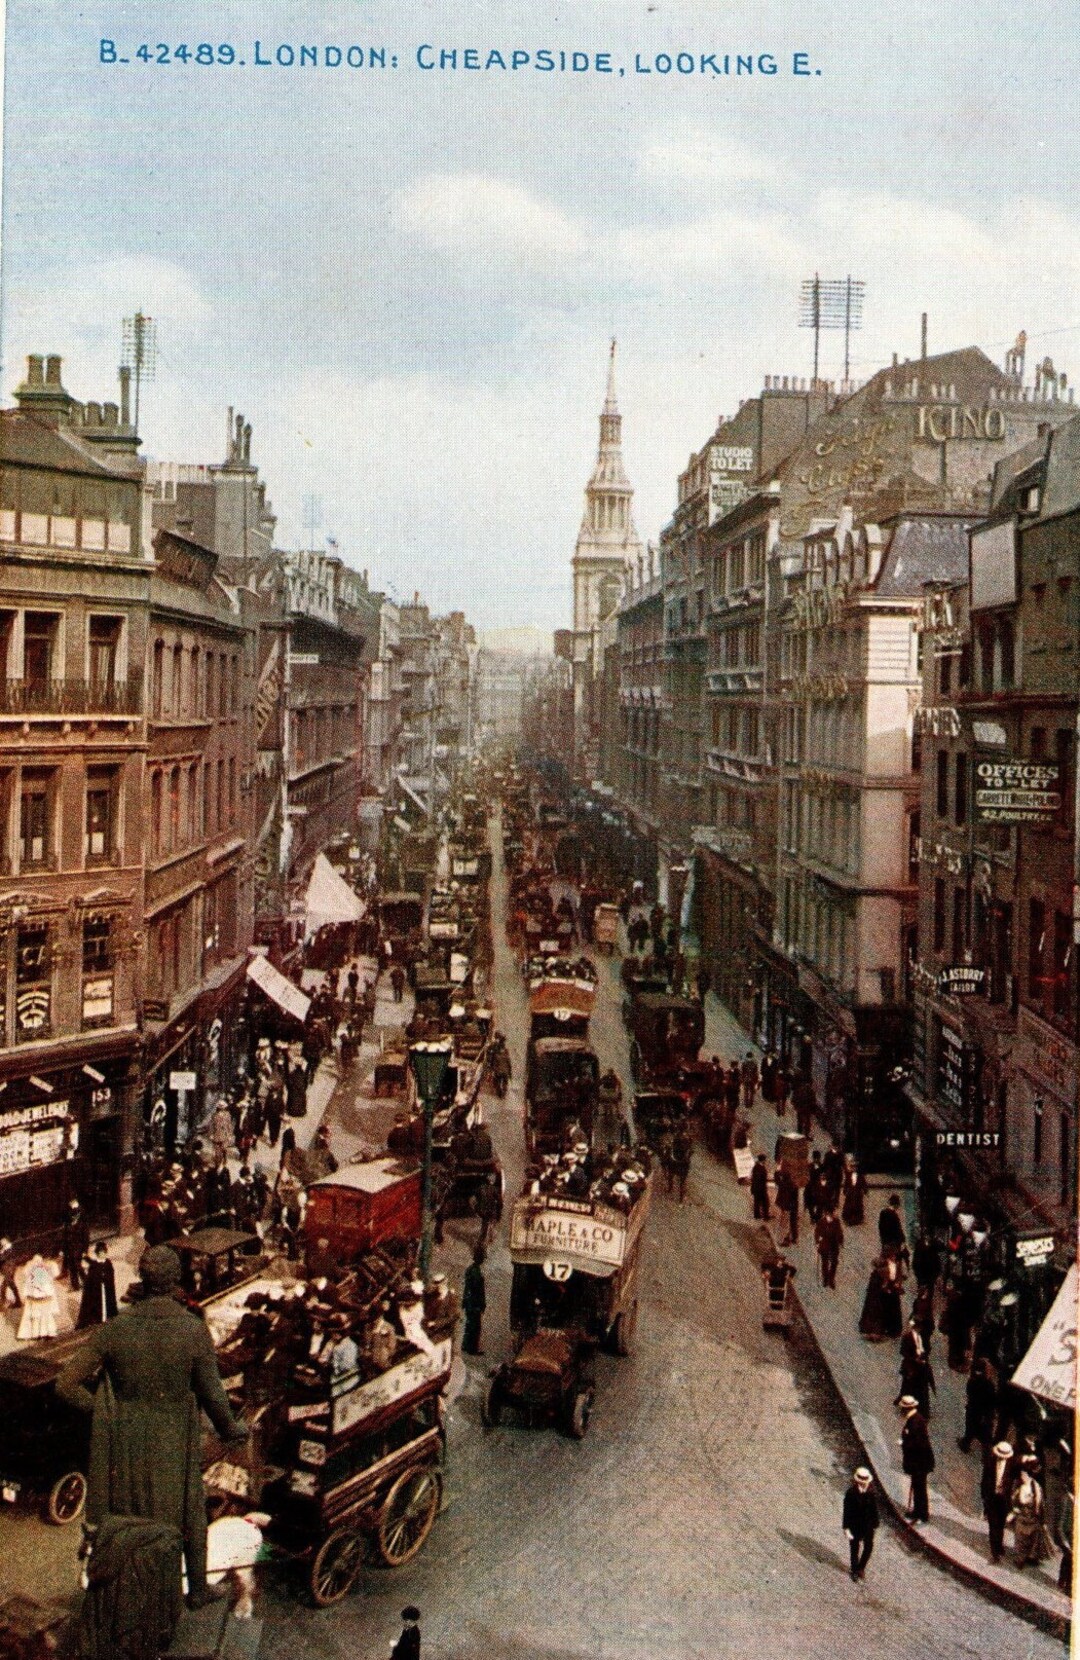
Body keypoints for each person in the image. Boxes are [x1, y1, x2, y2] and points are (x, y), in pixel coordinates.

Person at [56, 1245, 248, 1610]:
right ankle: (197, 1590)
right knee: (192, 1513)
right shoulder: (193, 1331)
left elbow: (66, 1384)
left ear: (143, 1279)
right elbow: (213, 1397)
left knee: (122, 1521)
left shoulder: (116, 1328)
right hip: (174, 1444)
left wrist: (104, 1411)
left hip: (122, 1448)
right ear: (176, 1281)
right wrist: (233, 1431)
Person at [898, 1395, 935, 1523]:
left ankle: (921, 1514)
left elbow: (917, 1444)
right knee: (918, 1487)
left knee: (919, 1488)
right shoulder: (915, 1418)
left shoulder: (915, 1422)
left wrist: (904, 1443)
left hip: (919, 1462)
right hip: (919, 1461)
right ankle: (918, 1511)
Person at [981, 1440, 1019, 1563]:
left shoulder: (1012, 1464)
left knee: (1001, 1525)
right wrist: (984, 1497)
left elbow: (1016, 1478)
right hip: (992, 1498)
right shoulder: (990, 1461)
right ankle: (995, 1553)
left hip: (1004, 1500)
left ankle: (999, 1546)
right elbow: (985, 1479)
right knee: (993, 1525)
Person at [1009, 1466, 1052, 1568]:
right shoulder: (1018, 1485)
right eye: (1021, 1474)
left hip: (1032, 1518)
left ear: (1028, 1475)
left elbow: (1041, 1506)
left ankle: (1031, 1557)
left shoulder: (1036, 1488)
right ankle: (1020, 1559)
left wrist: (1043, 1521)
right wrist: (1014, 1510)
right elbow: (1014, 1501)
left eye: (1023, 1474)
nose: (1022, 1476)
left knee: (1032, 1539)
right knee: (1020, 1539)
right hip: (1021, 1517)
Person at [842, 1467, 879, 1581]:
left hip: (868, 1525)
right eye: (861, 1482)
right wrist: (846, 1528)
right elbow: (847, 1511)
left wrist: (875, 1523)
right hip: (854, 1525)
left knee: (868, 1547)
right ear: (857, 1481)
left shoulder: (872, 1493)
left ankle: (861, 1567)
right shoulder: (851, 1493)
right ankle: (854, 1570)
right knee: (854, 1548)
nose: (863, 1484)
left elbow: (874, 1509)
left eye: (865, 1482)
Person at [958, 1355, 999, 1454]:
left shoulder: (972, 1381)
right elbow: (993, 1400)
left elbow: (969, 1393)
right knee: (985, 1434)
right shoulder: (989, 1385)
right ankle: (986, 1451)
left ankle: (966, 1443)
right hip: (985, 1412)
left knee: (970, 1427)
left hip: (973, 1409)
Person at [17, 1254, 61, 1341]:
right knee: (41, 1317)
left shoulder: (39, 1272)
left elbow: (54, 1273)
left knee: (38, 1317)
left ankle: (41, 1333)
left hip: (38, 1298)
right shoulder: (37, 1273)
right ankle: (44, 1333)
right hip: (39, 1298)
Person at [77, 1241, 118, 1328]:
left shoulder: (108, 1263)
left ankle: (107, 1317)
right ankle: (98, 1318)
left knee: (107, 1303)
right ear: (97, 1254)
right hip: (97, 1290)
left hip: (106, 1288)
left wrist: (106, 1279)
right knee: (97, 1304)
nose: (102, 1255)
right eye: (100, 1253)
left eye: (103, 1253)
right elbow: (90, 1278)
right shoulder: (94, 1265)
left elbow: (110, 1275)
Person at [462, 1245, 486, 1356]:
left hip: (469, 1302)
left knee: (470, 1324)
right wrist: (482, 1304)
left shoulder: (470, 1269)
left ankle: (466, 1346)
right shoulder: (476, 1272)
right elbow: (478, 1290)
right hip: (474, 1303)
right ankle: (472, 1349)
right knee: (475, 1326)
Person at [62, 1199, 90, 1289]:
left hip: (78, 1248)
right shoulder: (68, 1224)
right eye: (72, 1216)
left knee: (77, 1265)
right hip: (70, 1248)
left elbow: (85, 1239)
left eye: (75, 1216)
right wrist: (63, 1250)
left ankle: (86, 1281)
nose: (74, 1218)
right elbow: (65, 1237)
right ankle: (75, 1285)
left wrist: (85, 1251)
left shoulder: (82, 1226)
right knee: (72, 1267)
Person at [814, 1207, 844, 1289]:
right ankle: (825, 1279)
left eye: (832, 1214)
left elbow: (839, 1231)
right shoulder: (821, 1222)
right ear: (826, 1214)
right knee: (825, 1263)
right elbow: (817, 1232)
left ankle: (831, 1279)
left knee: (834, 1263)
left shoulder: (836, 1221)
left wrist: (840, 1240)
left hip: (834, 1246)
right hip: (825, 1246)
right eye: (830, 1214)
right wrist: (817, 1241)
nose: (832, 1216)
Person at [877, 1194, 908, 1262]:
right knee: (893, 1263)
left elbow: (881, 1228)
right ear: (897, 1204)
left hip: (886, 1243)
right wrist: (902, 1240)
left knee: (886, 1262)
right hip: (892, 1244)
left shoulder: (884, 1213)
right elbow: (897, 1230)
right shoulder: (893, 1215)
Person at [774, 1164, 799, 1245]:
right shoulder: (794, 1186)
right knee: (792, 1222)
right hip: (791, 1207)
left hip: (784, 1206)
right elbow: (795, 1199)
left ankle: (784, 1239)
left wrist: (777, 1170)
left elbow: (777, 1180)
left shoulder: (782, 1184)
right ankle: (793, 1238)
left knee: (783, 1223)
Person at [670, 1125, 692, 1203]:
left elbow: (673, 1148)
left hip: (677, 1160)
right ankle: (681, 1199)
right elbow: (691, 1150)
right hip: (684, 1162)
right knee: (682, 1181)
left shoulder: (677, 1137)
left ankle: (670, 1188)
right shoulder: (688, 1138)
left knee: (671, 1174)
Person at [0, 1237, 22, 1309]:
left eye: (3, 1241)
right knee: (10, 1285)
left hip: (9, 1268)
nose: (1, 1243)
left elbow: (3, 1258)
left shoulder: (9, 1249)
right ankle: (18, 1302)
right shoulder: (5, 1249)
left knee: (4, 1287)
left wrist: (1, 1253)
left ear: (6, 1241)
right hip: (8, 1269)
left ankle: (2, 1305)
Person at [750, 1152, 770, 1221]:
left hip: (758, 1188)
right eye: (765, 1160)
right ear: (763, 1160)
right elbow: (758, 1179)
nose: (765, 1161)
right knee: (765, 1203)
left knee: (758, 1202)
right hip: (759, 1189)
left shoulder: (757, 1166)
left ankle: (758, 1215)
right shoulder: (759, 1167)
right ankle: (765, 1216)